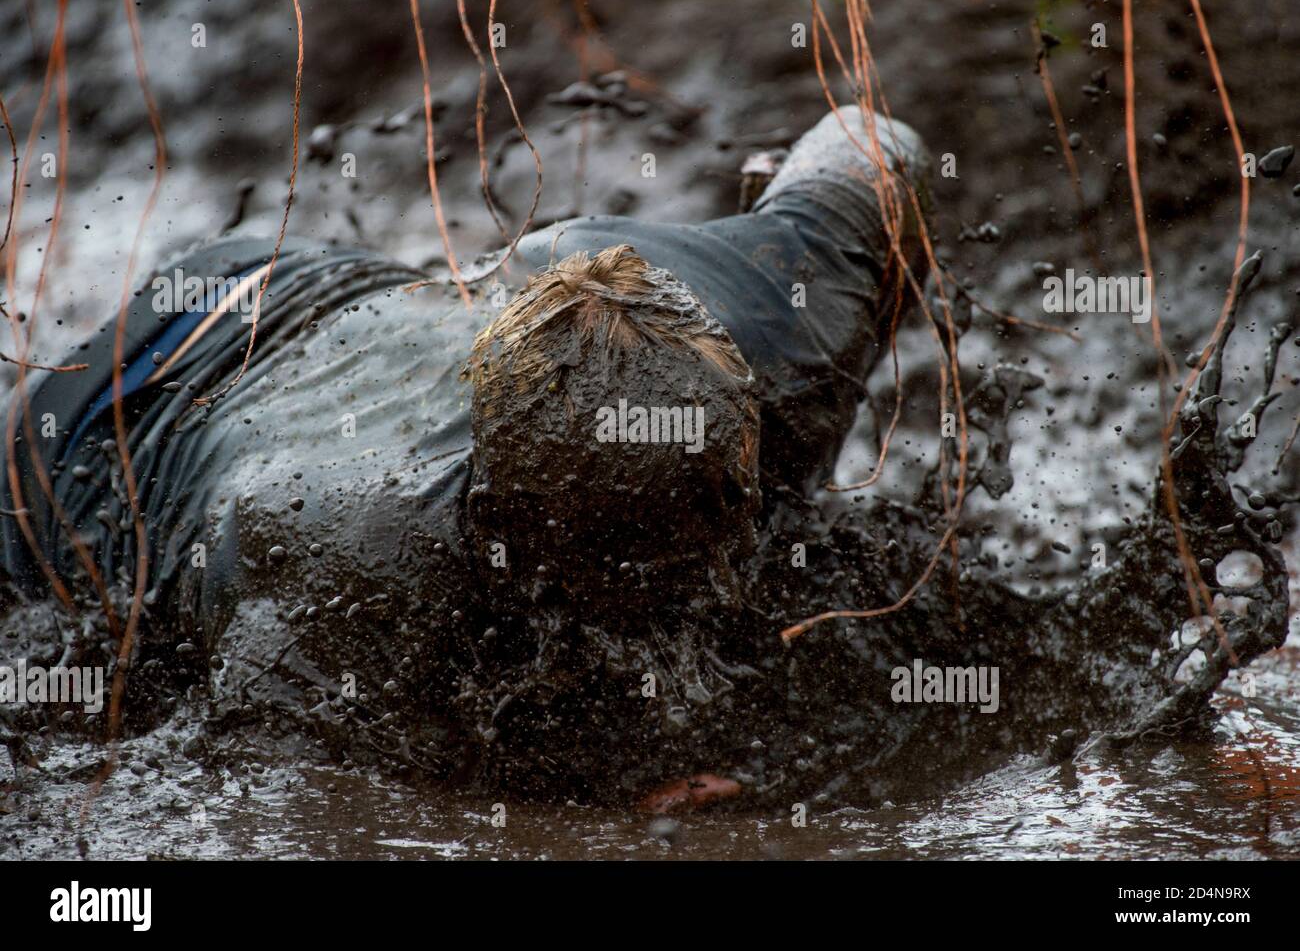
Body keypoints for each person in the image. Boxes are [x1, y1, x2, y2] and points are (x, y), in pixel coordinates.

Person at [0, 107, 1288, 807]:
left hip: (367, 303)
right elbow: (292, 814)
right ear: (490, 493)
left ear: (738, 448)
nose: (653, 586)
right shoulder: (330, 566)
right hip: (112, 429)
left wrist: (811, 421)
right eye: (601, 552)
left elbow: (874, 150)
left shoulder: (775, 331)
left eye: (689, 531)